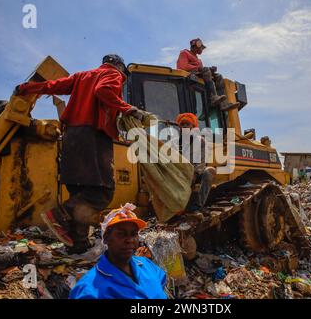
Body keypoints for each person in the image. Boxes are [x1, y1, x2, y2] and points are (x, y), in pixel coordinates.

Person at [14, 54, 145, 254]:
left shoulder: (82, 76)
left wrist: (26, 88)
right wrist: (127, 109)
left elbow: (53, 86)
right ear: (119, 66)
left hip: (71, 137)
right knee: (102, 192)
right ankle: (60, 215)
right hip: (93, 136)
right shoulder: (112, 74)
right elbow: (104, 91)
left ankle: (79, 244)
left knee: (80, 192)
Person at [69, 204, 168, 299]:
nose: (129, 240)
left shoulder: (147, 266)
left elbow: (161, 282)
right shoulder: (89, 289)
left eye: (133, 234)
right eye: (121, 234)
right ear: (106, 238)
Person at [176, 113, 216, 212]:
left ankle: (198, 206)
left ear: (193, 127)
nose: (185, 126)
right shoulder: (176, 142)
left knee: (209, 171)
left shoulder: (200, 141)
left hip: (195, 173)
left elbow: (202, 161)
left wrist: (195, 173)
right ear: (180, 127)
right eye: (182, 124)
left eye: (187, 124)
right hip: (180, 173)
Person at [176, 38, 229, 109]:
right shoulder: (184, 53)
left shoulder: (198, 60)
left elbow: (202, 71)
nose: (201, 50)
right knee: (206, 70)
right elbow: (183, 66)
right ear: (195, 46)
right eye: (201, 48)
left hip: (198, 74)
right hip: (189, 75)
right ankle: (212, 97)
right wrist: (199, 68)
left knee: (218, 76)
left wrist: (211, 70)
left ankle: (223, 103)